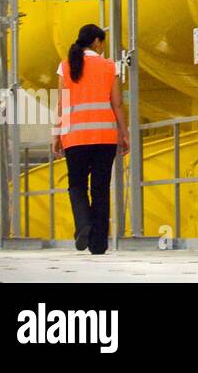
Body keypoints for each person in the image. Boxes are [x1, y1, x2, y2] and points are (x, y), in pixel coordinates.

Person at [49, 24, 130, 255]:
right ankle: (98, 244)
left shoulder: (66, 66)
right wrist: (124, 133)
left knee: (77, 185)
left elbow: (61, 104)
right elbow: (117, 103)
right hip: (105, 136)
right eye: (102, 43)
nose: (103, 47)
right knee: (100, 188)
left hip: (75, 136)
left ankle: (83, 223)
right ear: (96, 41)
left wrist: (56, 135)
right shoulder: (110, 66)